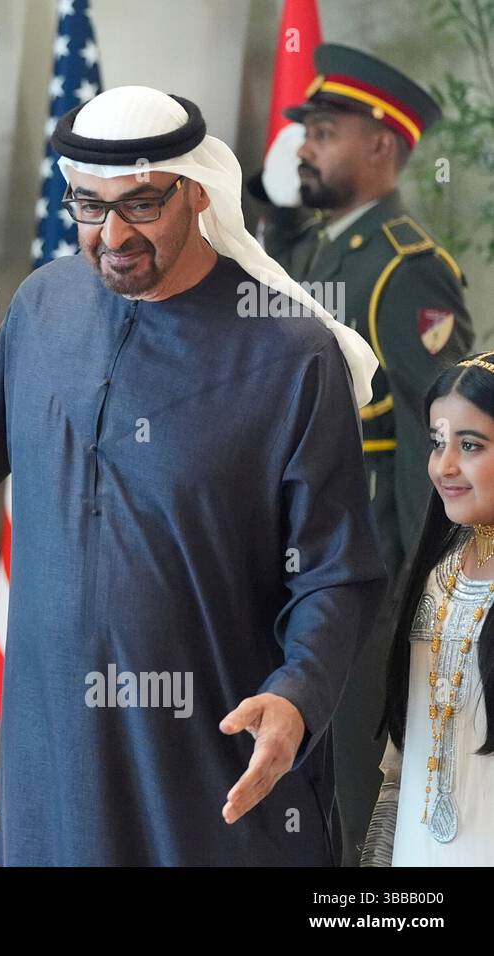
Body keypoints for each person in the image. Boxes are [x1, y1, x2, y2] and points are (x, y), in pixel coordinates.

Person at [0, 86, 388, 865]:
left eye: (141, 205)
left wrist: (296, 695)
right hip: (59, 763)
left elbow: (338, 571)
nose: (112, 234)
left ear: (197, 192)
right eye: (88, 205)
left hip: (213, 760)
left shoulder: (287, 352)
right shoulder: (44, 306)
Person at [257, 43, 472, 864]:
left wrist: (433, 591)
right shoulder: (314, 253)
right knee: (298, 785)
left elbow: (443, 446)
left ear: (382, 145)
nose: (305, 146)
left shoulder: (402, 270)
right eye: (308, 128)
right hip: (301, 562)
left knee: (347, 791)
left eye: (325, 129)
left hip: (371, 574)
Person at [362, 353, 494, 866]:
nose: (444, 467)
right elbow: (400, 760)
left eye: (470, 445)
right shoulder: (437, 570)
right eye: (438, 444)